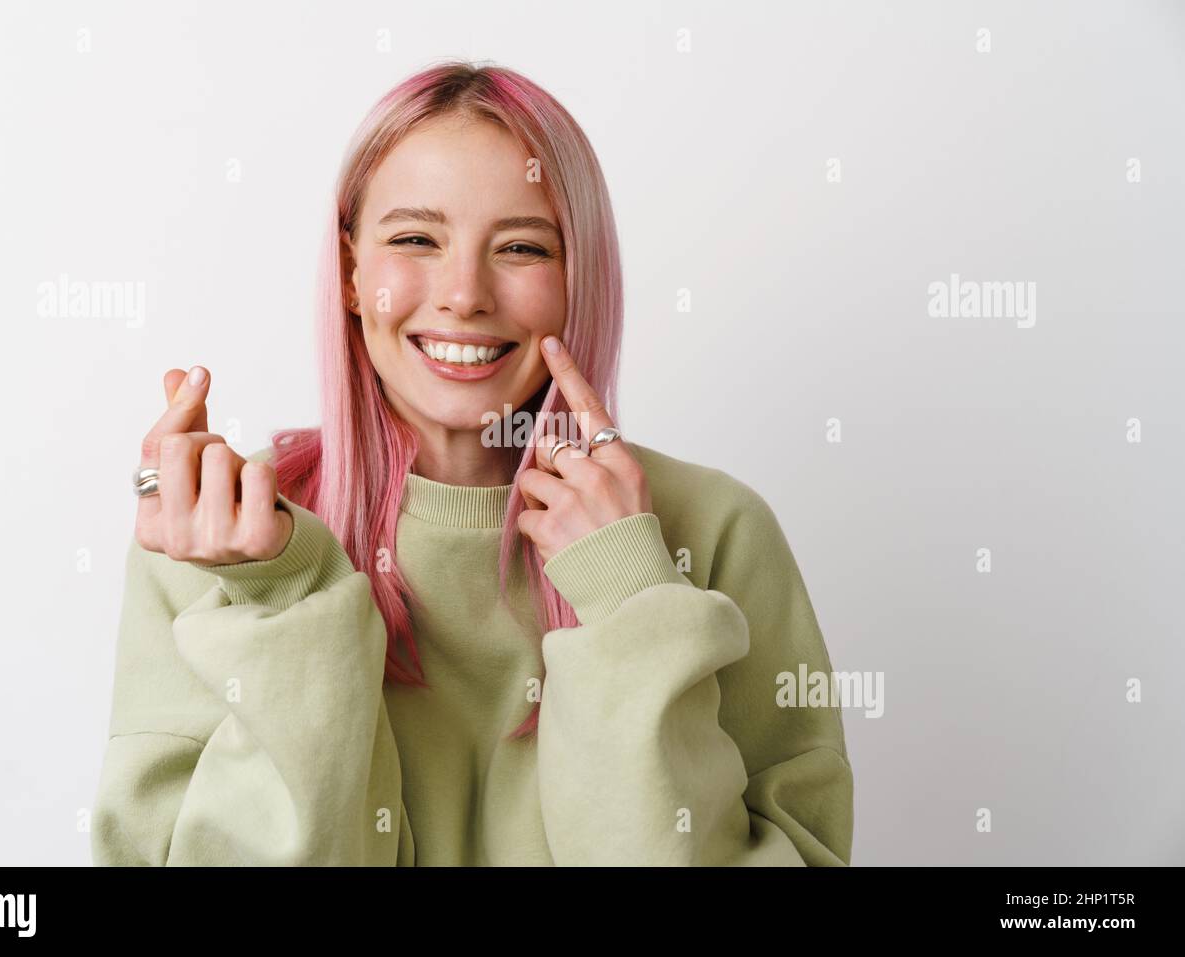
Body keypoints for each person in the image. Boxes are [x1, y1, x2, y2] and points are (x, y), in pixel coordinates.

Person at [91, 60, 853, 866]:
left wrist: (634, 599)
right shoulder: (222, 533)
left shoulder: (716, 530)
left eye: (522, 247)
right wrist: (276, 600)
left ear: (577, 279)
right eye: (415, 238)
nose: (463, 294)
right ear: (352, 271)